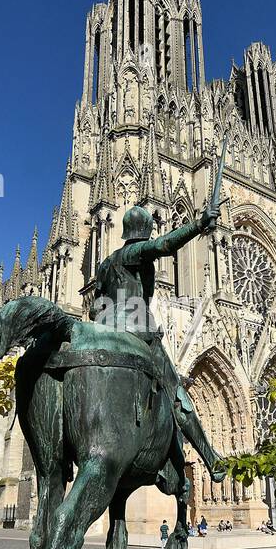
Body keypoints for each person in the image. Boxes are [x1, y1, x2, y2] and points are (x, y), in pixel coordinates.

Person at [88, 200, 227, 483]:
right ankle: (211, 458)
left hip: (104, 330)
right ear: (144, 231)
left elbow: (94, 308)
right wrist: (200, 224)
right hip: (138, 331)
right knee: (178, 396)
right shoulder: (135, 252)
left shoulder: (104, 265)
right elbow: (164, 246)